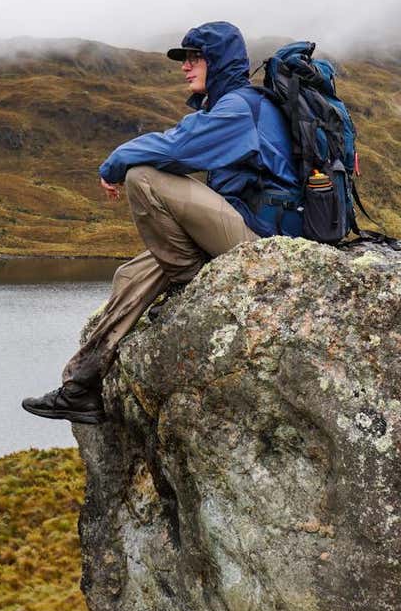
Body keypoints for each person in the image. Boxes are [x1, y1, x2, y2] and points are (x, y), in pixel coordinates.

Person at [22, 21, 298, 424]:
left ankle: (191, 278)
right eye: (185, 59)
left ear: (219, 61)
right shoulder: (232, 105)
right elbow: (184, 140)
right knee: (131, 275)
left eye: (195, 58)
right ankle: (80, 387)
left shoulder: (240, 108)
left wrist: (116, 161)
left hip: (268, 244)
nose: (186, 67)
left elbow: (177, 148)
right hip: (251, 226)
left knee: (143, 177)